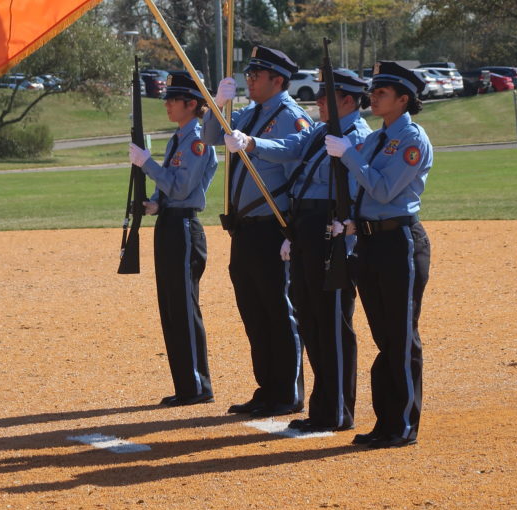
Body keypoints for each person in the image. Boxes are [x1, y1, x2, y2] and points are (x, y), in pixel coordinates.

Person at [226, 68, 371, 433]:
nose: (319, 101)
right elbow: (291, 149)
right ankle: (323, 407)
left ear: (349, 101)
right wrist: (253, 143)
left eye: (327, 97)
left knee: (332, 323)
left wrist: (346, 235)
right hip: (305, 226)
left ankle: (337, 409)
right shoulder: (322, 131)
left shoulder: (358, 137)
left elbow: (356, 192)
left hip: (331, 230)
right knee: (311, 320)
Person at [326, 61, 433, 449]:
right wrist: (349, 223)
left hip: (400, 241)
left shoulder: (411, 139)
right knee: (385, 336)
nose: (374, 97)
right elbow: (360, 192)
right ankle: (386, 420)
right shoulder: (376, 139)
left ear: (403, 99)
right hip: (371, 242)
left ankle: (403, 424)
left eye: (382, 93)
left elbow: (384, 190)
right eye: (374, 91)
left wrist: (349, 155)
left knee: (401, 336)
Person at [202, 45, 312, 418]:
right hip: (245, 229)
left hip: (273, 226)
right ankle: (267, 387)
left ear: (277, 80)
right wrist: (217, 103)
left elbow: (299, 149)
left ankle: (288, 391)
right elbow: (212, 135)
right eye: (248, 75)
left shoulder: (290, 115)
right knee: (253, 311)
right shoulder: (250, 113)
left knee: (279, 311)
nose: (249, 80)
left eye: (255, 75)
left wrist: (254, 143)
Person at [129, 71, 217, 407]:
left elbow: (181, 187)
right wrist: (155, 203)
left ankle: (197, 385)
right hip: (169, 223)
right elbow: (172, 189)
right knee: (170, 308)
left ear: (191, 104)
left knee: (182, 308)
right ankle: (186, 385)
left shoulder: (196, 140)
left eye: (173, 99)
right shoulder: (178, 138)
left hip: (184, 230)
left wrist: (147, 163)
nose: (166, 104)